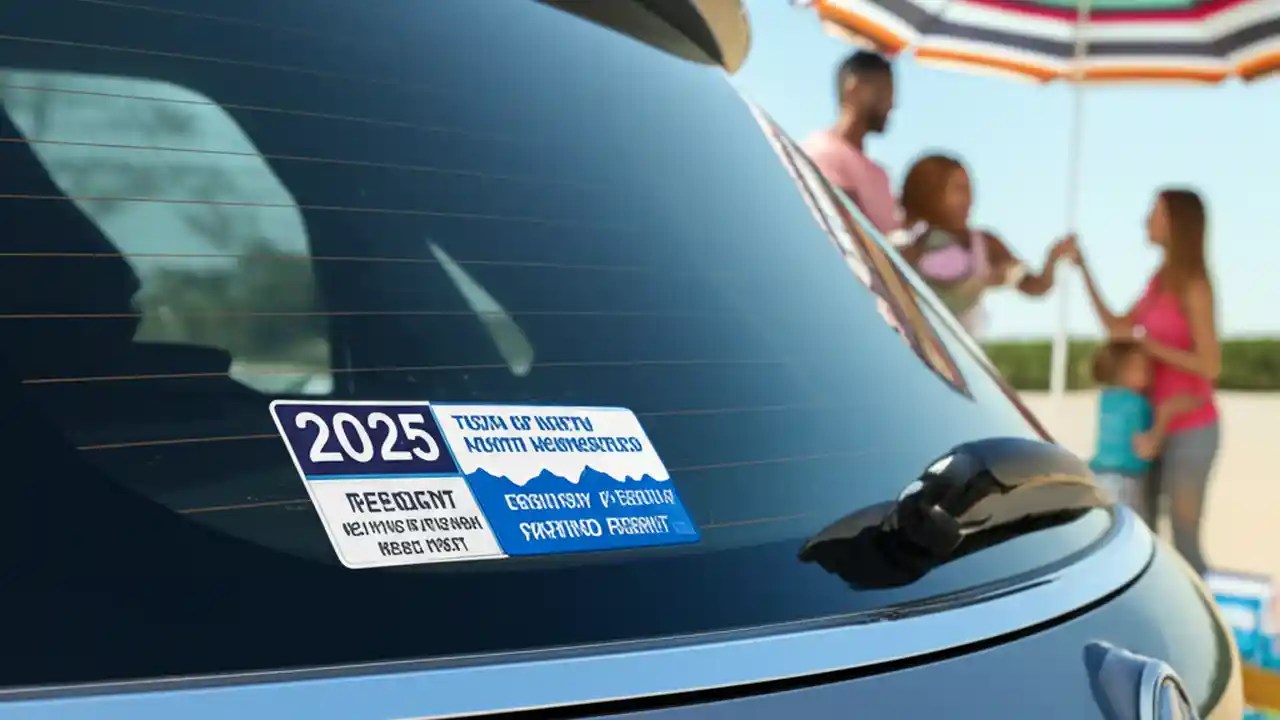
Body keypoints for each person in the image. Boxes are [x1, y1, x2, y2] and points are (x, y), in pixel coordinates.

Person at [1066, 188, 1220, 575]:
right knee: (1143, 537)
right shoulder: (1158, 282)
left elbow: (1210, 365)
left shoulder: (1195, 285)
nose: (1145, 220)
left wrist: (1151, 345)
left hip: (1191, 425)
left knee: (1184, 537)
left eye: (1155, 213)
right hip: (1149, 426)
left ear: (1175, 223)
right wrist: (1083, 267)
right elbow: (1119, 328)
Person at [894, 153, 1073, 335]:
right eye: (958, 190)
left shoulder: (986, 245)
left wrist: (1052, 260)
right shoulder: (910, 244)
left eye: (969, 190)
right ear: (931, 195)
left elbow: (1035, 286)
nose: (968, 199)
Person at [1088, 340, 1203, 521]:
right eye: (1142, 368)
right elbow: (1145, 450)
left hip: (1098, 475)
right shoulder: (1136, 404)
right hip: (1124, 482)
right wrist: (1165, 414)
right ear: (1122, 371)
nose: (1151, 373)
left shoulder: (1106, 398)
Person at [800, 50, 899, 236]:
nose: (891, 103)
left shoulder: (879, 174)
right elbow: (848, 235)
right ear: (853, 88)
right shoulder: (823, 153)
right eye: (884, 91)